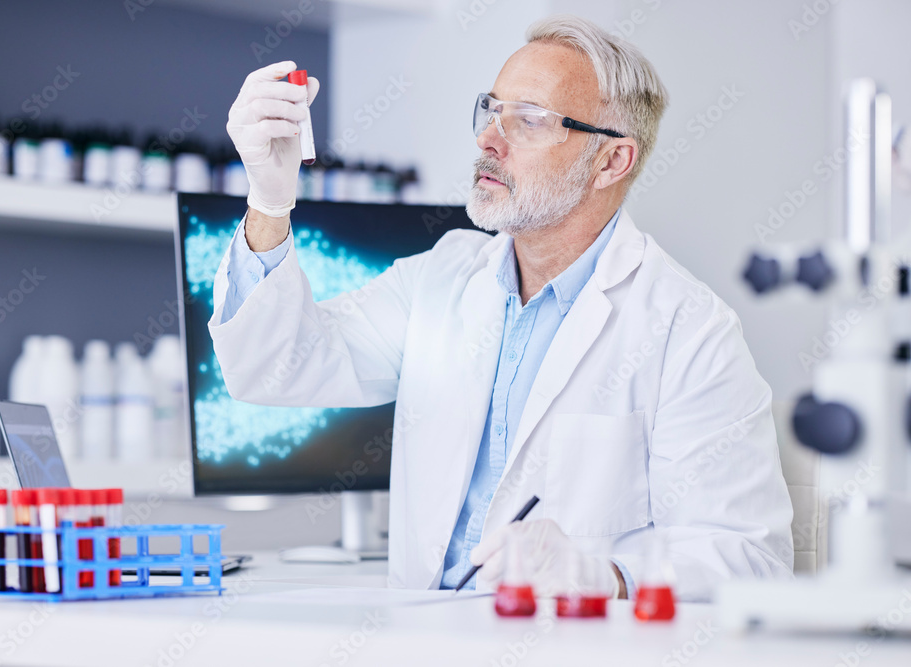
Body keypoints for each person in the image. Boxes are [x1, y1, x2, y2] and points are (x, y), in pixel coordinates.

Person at [211, 14, 794, 602]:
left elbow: (748, 557)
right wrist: (269, 201)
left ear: (610, 162)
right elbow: (274, 367)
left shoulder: (688, 330)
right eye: (492, 110)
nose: (491, 138)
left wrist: (607, 577)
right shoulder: (443, 276)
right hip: (422, 640)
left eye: (529, 121)